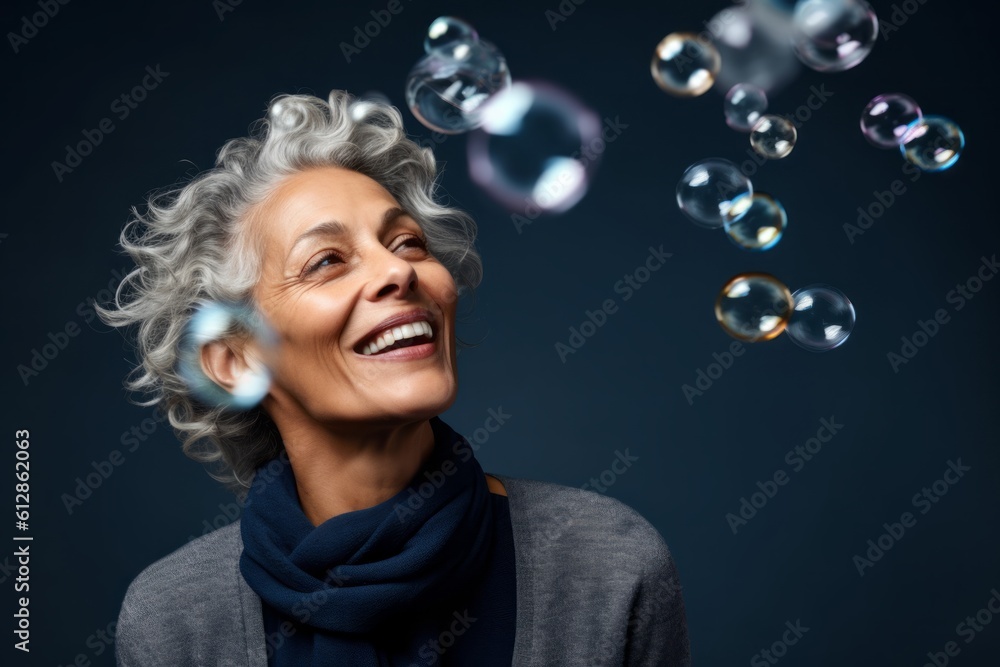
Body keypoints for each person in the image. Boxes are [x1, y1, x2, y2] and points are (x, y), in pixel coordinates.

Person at [101, 90, 691, 666]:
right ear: (237, 361)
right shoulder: (174, 620)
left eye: (407, 242)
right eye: (327, 261)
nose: (397, 271)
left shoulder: (607, 564)